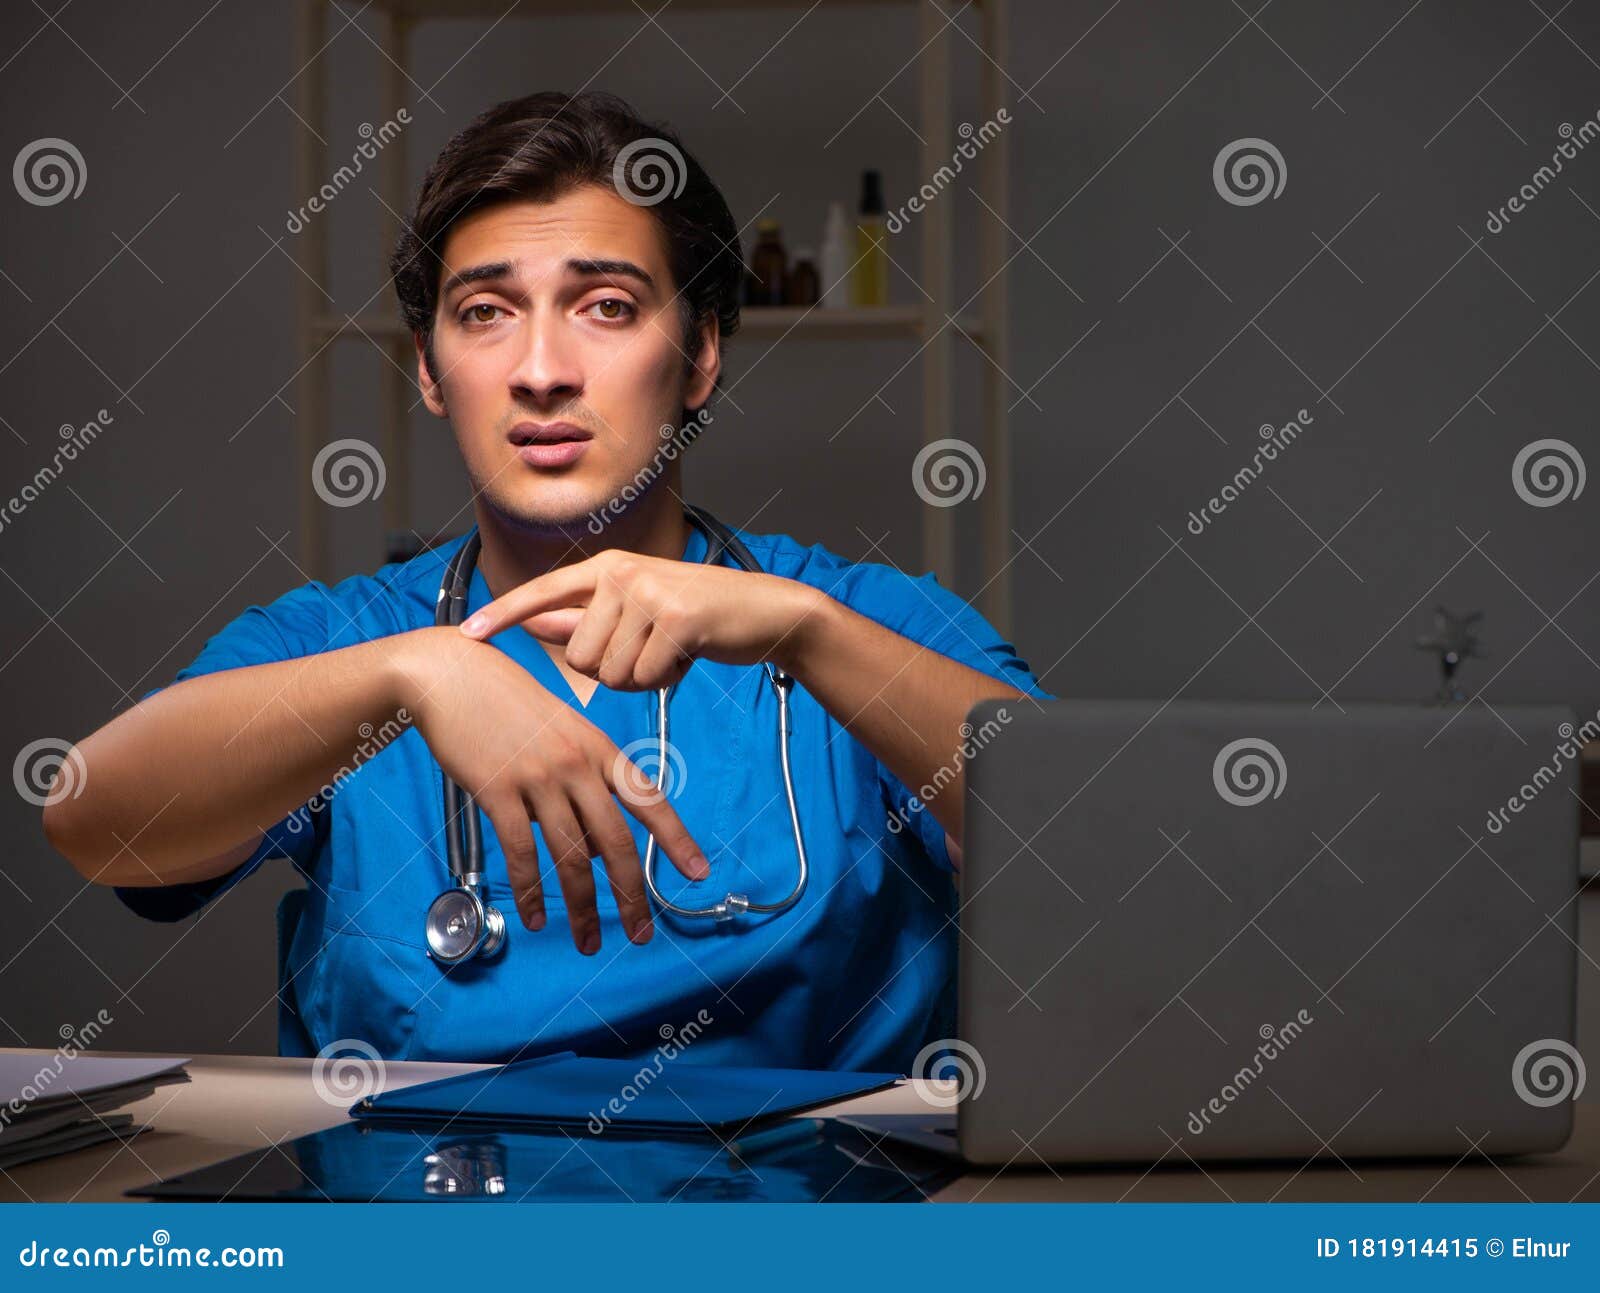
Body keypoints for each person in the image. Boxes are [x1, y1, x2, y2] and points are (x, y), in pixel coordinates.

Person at [42, 90, 1051, 1072]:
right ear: (430, 370)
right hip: (416, 1185)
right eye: (485, 312)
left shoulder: (858, 621)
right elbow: (92, 819)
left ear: (700, 353)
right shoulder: (347, 640)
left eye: (606, 306)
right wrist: (415, 675)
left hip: (802, 1187)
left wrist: (810, 634)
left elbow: (1079, 849)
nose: (540, 370)